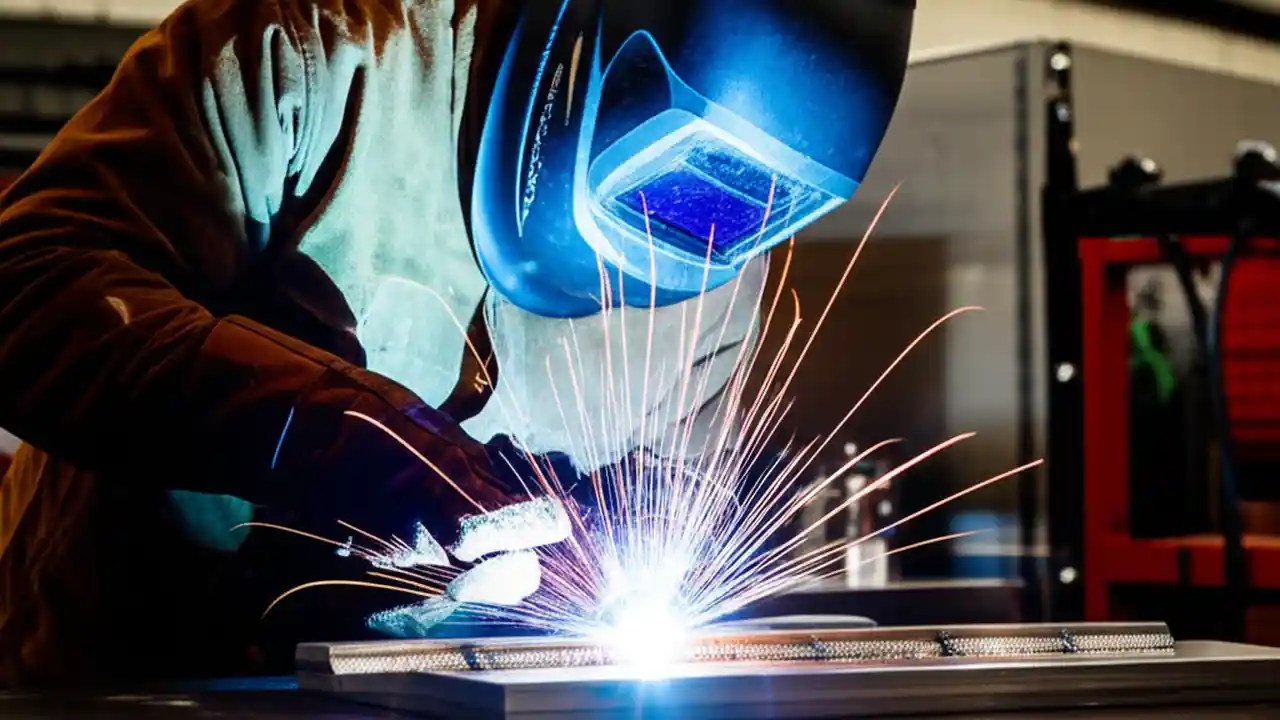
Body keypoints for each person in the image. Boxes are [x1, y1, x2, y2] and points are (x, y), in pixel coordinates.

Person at [0, 0, 912, 687]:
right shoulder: (324, 50)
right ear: (587, 49)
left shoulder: (725, 259)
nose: (675, 238)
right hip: (123, 674)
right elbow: (30, 274)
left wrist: (601, 540)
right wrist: (321, 433)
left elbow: (675, 502)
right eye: (668, 161)